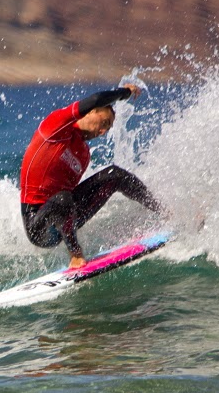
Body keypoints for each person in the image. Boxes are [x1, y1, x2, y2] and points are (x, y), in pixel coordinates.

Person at [19, 84, 163, 269]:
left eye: (108, 128)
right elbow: (95, 99)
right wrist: (124, 93)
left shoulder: (84, 154)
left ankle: (165, 212)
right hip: (39, 225)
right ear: (90, 112)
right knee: (63, 198)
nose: (103, 132)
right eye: (103, 123)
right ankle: (75, 256)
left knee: (115, 174)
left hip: (65, 217)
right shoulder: (56, 127)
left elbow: (74, 197)